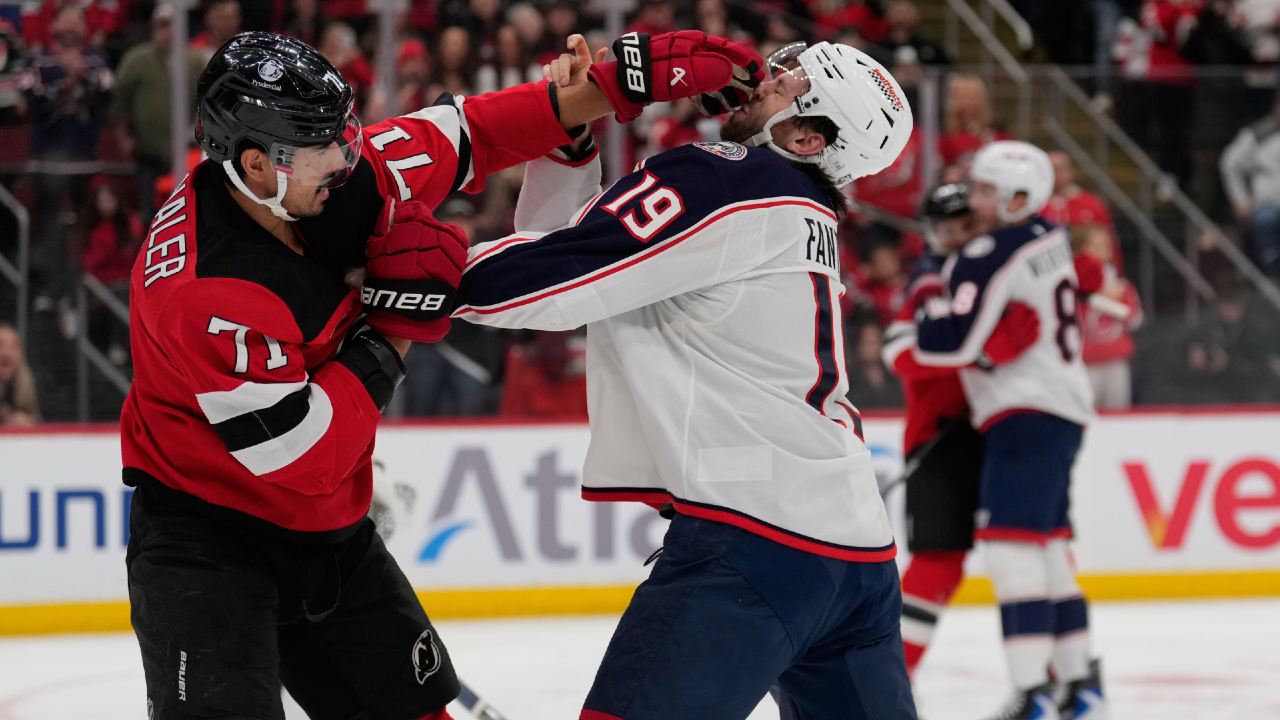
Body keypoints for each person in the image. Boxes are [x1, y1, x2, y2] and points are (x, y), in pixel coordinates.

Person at [120, 29, 757, 719]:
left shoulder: (330, 180)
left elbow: (474, 132)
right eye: (318, 148)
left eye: (341, 135)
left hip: (328, 532)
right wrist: (396, 325)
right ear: (256, 164)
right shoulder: (205, 293)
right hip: (207, 539)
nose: (343, 158)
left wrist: (613, 89)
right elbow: (304, 456)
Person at [454, 39, 917, 720]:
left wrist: (397, 271)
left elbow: (552, 279)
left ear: (807, 137)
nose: (770, 75)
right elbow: (575, 252)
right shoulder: (801, 209)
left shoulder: (727, 177)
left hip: (753, 545)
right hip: (859, 557)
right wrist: (568, 133)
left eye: (794, 81)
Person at [914, 141, 1106, 720]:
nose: (973, 210)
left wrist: (932, 294)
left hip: (1024, 412)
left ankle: (1033, 692)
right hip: (1061, 407)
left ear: (1019, 199)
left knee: (1010, 549)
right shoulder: (1050, 234)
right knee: (1049, 548)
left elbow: (943, 344)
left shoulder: (984, 253)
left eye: (983, 193)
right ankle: (1080, 686)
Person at [881, 183, 1041, 679]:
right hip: (941, 440)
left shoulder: (1000, 269)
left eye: (966, 226)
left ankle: (1058, 675)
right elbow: (898, 354)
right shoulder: (931, 284)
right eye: (946, 229)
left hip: (1006, 430)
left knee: (1030, 550)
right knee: (938, 563)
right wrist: (981, 354)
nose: (957, 237)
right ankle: (890, 681)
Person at [112, 3, 207, 225]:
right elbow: (120, 104)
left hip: (186, 155)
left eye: (173, 25)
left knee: (186, 213)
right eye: (163, 26)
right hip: (148, 155)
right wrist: (123, 137)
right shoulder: (137, 60)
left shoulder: (195, 62)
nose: (168, 32)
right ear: (154, 28)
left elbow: (207, 104)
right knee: (151, 215)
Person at [1076, 225, 1143, 408]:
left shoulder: (1121, 286)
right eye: (1093, 246)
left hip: (1115, 361)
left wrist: (1120, 300)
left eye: (1105, 246)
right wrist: (1092, 292)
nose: (1099, 251)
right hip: (1085, 362)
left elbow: (1135, 320)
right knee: (1085, 410)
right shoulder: (1071, 286)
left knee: (1118, 411)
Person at [1220, 91, 1280, 275]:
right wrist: (1240, 199)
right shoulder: (1258, 134)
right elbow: (1229, 163)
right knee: (1266, 220)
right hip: (1268, 207)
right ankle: (1271, 275)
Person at [499, 330, 589, 418]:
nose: (554, 341)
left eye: (559, 336)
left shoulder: (583, 369)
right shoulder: (522, 368)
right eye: (549, 336)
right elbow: (511, 418)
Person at [0, 322, 39, 426]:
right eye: (0, 345)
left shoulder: (36, 386)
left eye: (13, 346)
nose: (6, 353)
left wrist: (29, 424)